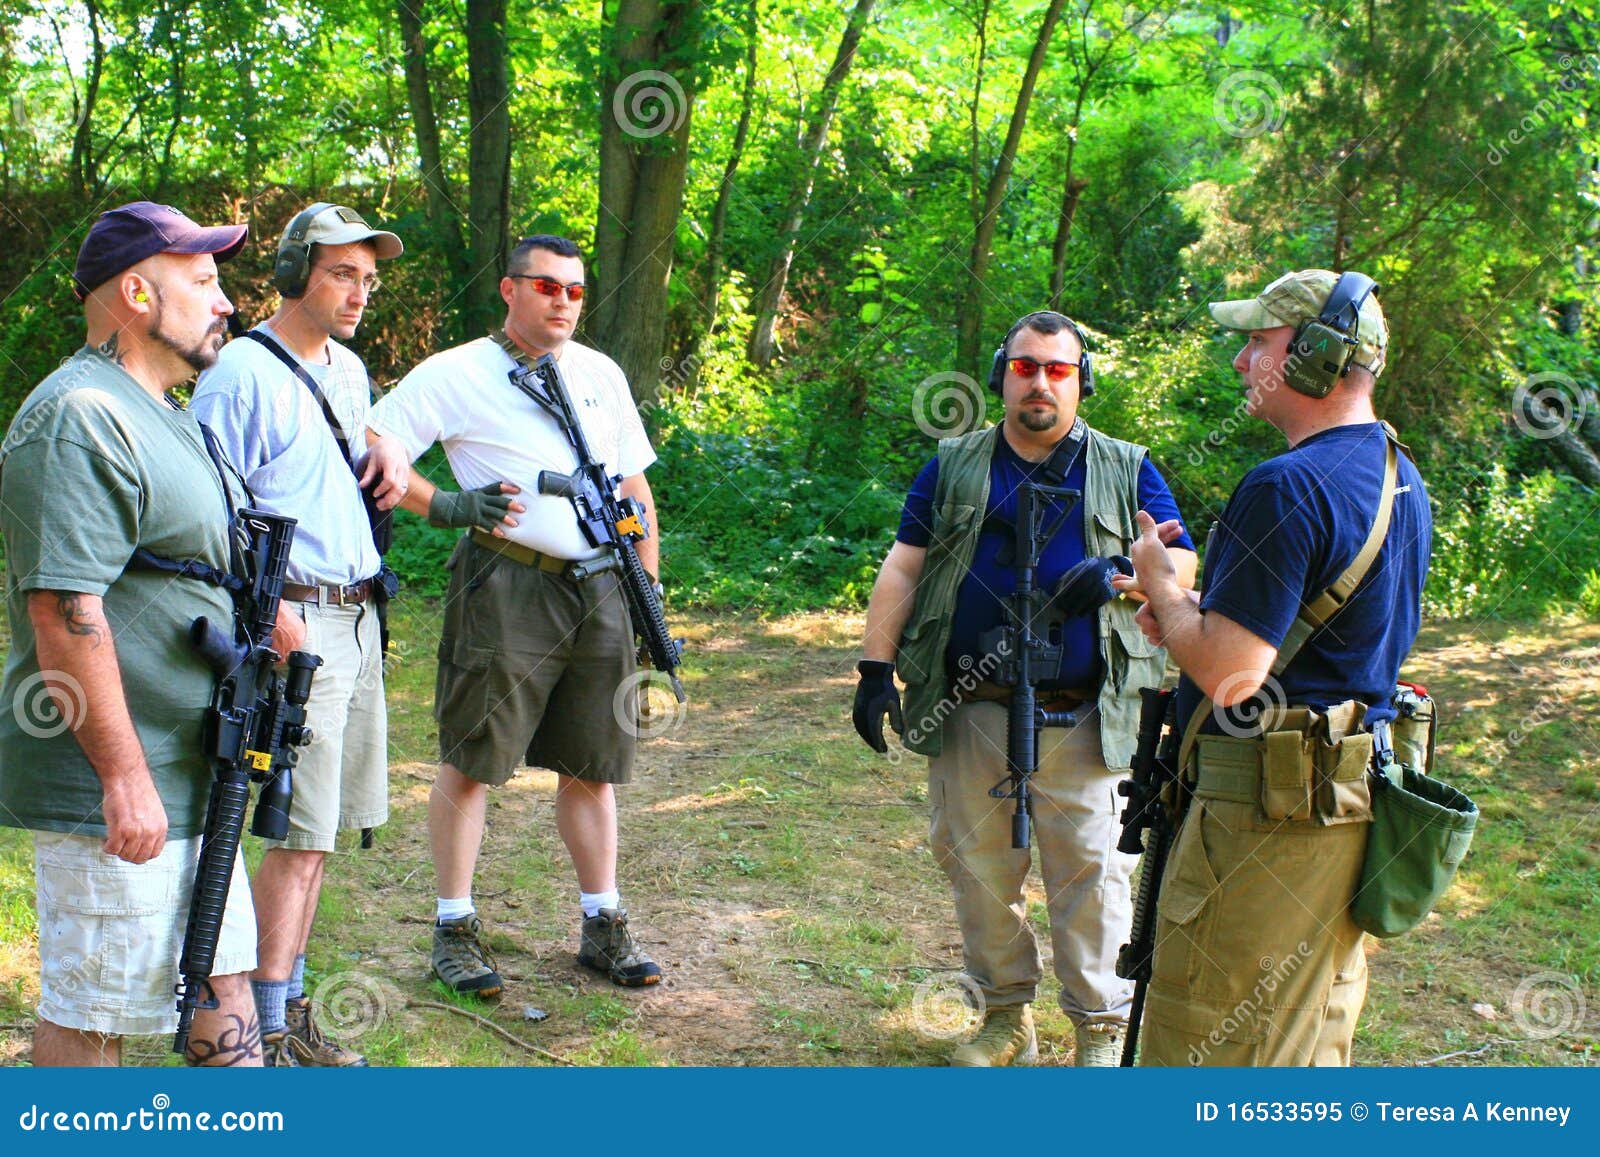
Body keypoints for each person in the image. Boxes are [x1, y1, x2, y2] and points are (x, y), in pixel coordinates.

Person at [854, 311, 1197, 1066]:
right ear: (1001, 375)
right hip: (972, 706)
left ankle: (1101, 1030)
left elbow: (1184, 568)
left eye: (1058, 369)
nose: (1040, 382)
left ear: (1082, 381)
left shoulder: (1127, 465)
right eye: (1025, 366)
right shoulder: (955, 464)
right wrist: (876, 668)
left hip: (1087, 714)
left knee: (1095, 877)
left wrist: (1114, 577)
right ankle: (1006, 1017)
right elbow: (904, 565)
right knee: (977, 868)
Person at [1115, 270, 1431, 1066]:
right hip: (1346, 809)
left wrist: (1161, 584)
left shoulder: (1285, 486)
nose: (1241, 362)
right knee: (1301, 1043)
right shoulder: (1401, 475)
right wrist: (1187, 618)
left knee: (1211, 1044)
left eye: (1258, 341)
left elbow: (1229, 674)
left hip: (1265, 820)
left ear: (1314, 354)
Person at [0, 201, 268, 1066]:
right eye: (205, 280)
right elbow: (65, 611)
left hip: (197, 772)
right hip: (116, 789)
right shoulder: (80, 413)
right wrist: (121, 776)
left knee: (223, 982)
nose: (226, 301)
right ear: (138, 293)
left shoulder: (166, 410)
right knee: (95, 1013)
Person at [367, 233, 665, 998]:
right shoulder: (458, 372)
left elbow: (633, 488)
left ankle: (604, 923)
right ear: (509, 289)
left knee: (593, 765)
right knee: (474, 757)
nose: (563, 300)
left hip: (600, 585)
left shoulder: (599, 372)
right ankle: (454, 927)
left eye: (574, 288)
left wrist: (647, 590)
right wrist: (447, 506)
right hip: (507, 584)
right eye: (547, 286)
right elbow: (373, 445)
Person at [191, 202, 407, 1066]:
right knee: (297, 831)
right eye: (342, 273)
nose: (359, 292)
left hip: (356, 613)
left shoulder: (349, 372)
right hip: (295, 619)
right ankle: (269, 1029)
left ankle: (287, 1003)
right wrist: (268, 607)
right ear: (295, 273)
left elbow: (341, 455)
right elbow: (208, 508)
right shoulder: (238, 373)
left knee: (326, 829)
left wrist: (385, 446)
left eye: (369, 278)